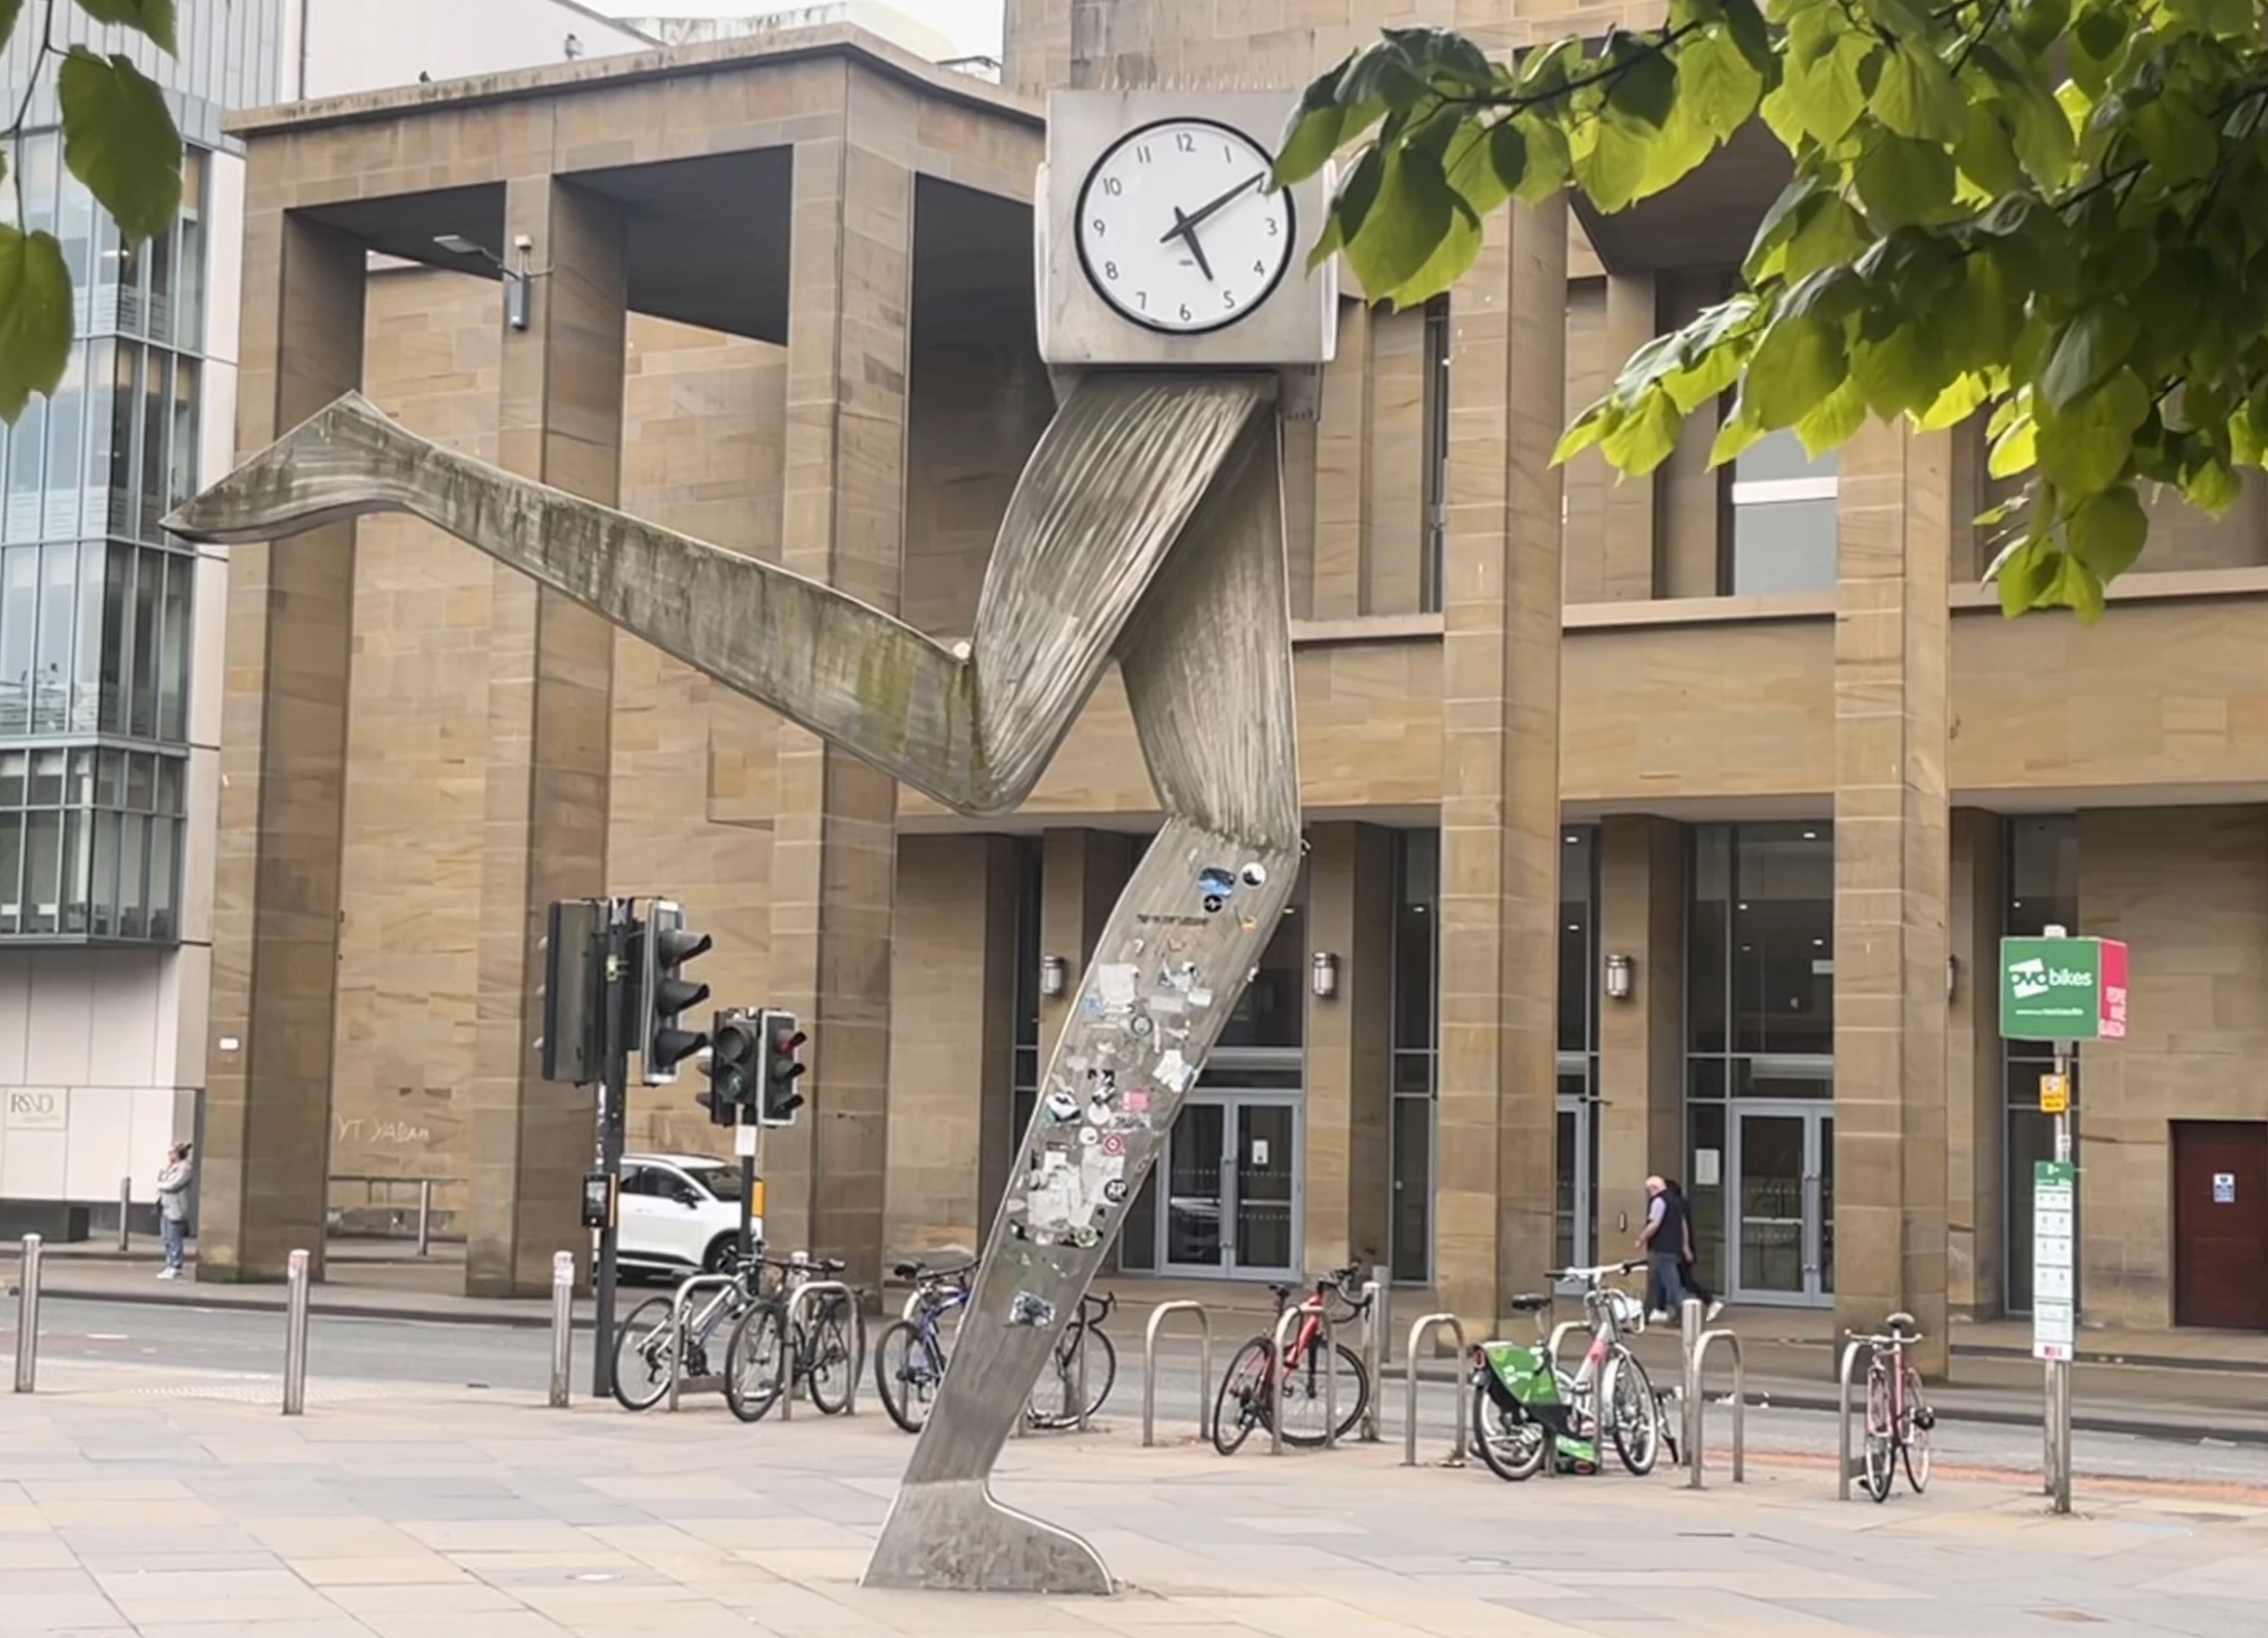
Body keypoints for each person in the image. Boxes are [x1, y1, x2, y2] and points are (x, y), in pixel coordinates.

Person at [1665, 1178, 1725, 1323]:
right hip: (1677, 1248)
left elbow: (1683, 1227)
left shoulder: (1676, 1206)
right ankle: (1672, 1311)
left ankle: (1708, 1302)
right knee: (1678, 1280)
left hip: (1679, 1249)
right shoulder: (1680, 1204)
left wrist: (1685, 1248)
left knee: (1685, 1281)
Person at [1634, 1174, 1691, 1323]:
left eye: (1649, 1190)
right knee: (1655, 1283)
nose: (1649, 1194)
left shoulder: (1659, 1201)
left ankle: (1684, 1315)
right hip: (1673, 1248)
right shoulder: (1677, 1202)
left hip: (1661, 1249)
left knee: (1672, 1286)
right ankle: (1646, 1314)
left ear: (1654, 1188)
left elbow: (1654, 1224)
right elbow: (1683, 1225)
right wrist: (1685, 1246)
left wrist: (1641, 1239)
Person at [156, 1143, 192, 1279]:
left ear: (178, 1154)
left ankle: (176, 1266)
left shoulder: (185, 1168)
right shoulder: (170, 1168)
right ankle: (169, 1264)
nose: (169, 1156)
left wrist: (161, 1185)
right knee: (166, 1238)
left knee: (175, 1238)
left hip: (176, 1207)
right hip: (166, 1205)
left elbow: (174, 1185)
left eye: (172, 1153)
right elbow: (161, 1179)